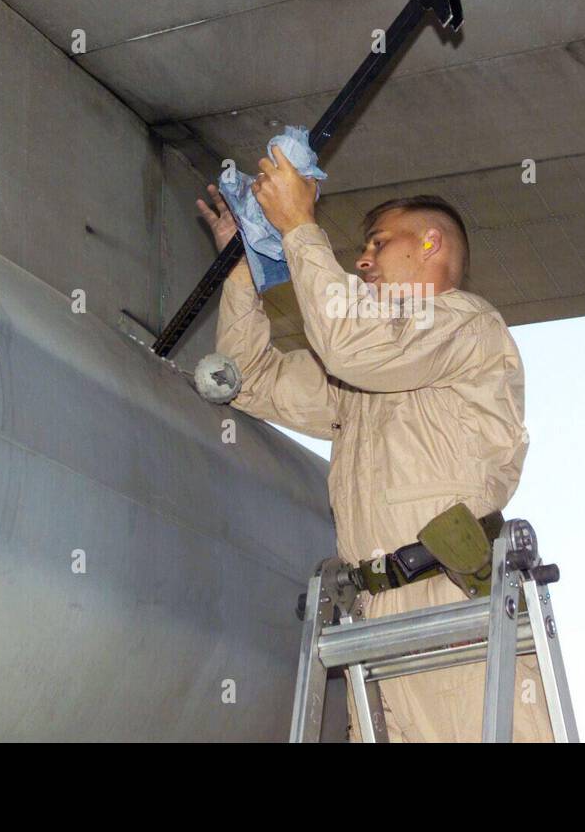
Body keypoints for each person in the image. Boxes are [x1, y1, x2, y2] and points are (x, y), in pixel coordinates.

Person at [198, 145, 551, 742]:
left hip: (455, 610)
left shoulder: (466, 325)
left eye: (377, 243)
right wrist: (241, 271)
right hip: (375, 625)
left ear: (431, 244)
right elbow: (247, 378)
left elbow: (352, 345)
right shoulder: (360, 386)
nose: (362, 262)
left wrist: (300, 227)